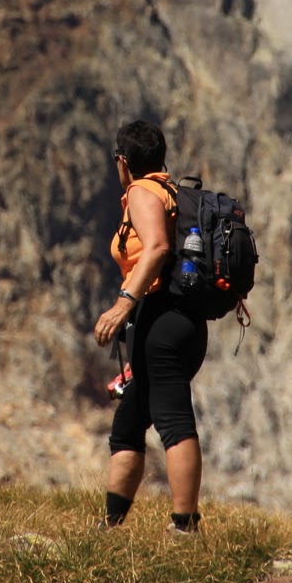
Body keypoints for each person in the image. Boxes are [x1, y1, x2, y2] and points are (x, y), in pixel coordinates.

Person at [93, 119, 208, 533]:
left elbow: (157, 247)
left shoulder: (142, 192)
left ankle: (185, 526)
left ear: (123, 162)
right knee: (129, 421)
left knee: (173, 420)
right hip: (180, 324)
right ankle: (110, 527)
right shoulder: (173, 191)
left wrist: (124, 304)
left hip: (162, 321)